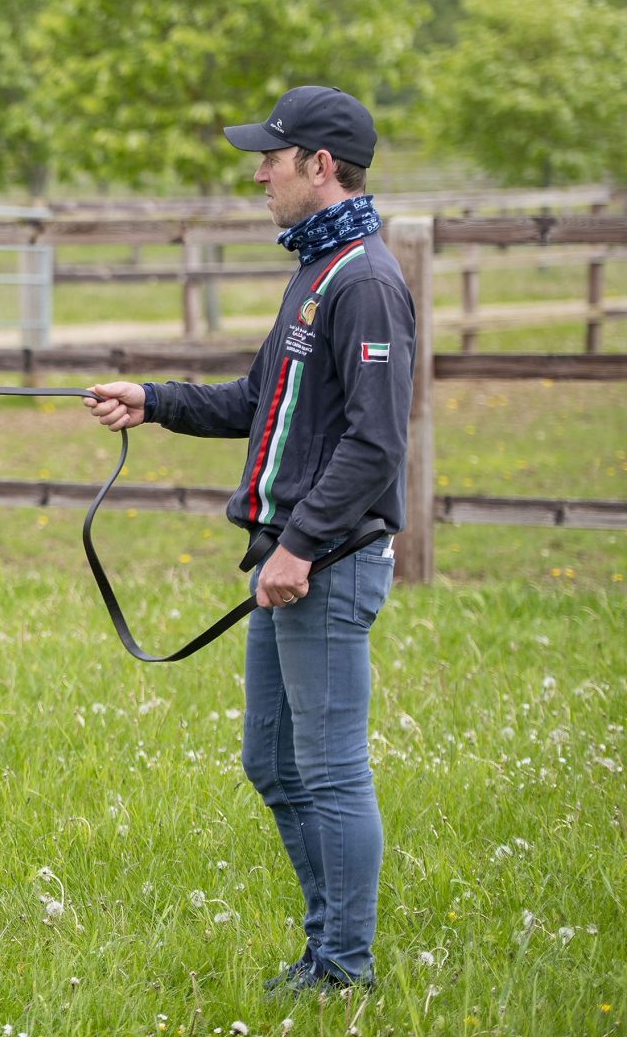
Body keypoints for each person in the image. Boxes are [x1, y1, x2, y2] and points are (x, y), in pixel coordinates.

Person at [81, 86, 414, 993]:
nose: (258, 170)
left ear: (321, 165)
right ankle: (324, 947)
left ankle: (343, 966)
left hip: (324, 565)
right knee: (270, 760)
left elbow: (377, 444)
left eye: (273, 155)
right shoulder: (316, 272)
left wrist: (299, 547)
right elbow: (257, 401)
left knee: (333, 771)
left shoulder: (368, 282)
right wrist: (154, 400)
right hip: (288, 557)